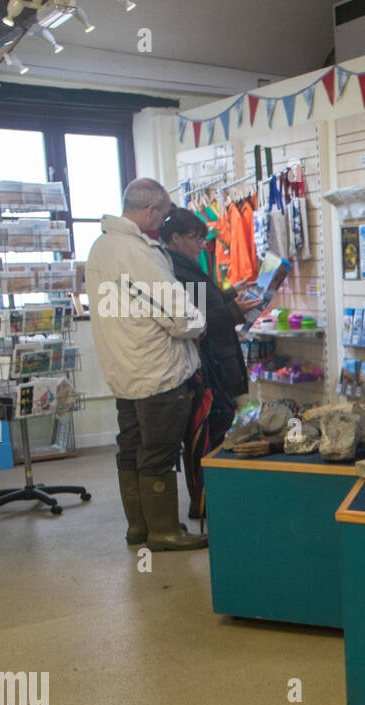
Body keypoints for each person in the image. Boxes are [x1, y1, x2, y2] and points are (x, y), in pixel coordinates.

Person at [85, 178, 208, 551]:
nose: (165, 221)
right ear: (151, 210)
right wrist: (199, 323)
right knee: (158, 451)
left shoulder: (101, 247)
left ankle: (139, 527)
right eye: (164, 213)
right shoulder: (134, 251)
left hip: (124, 367)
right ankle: (164, 531)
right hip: (156, 370)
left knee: (131, 447)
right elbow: (178, 312)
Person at [159, 206, 253, 518]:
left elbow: (203, 305)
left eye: (202, 237)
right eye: (195, 237)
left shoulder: (189, 267)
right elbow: (197, 322)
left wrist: (229, 296)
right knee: (207, 434)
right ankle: (205, 502)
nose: (202, 244)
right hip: (207, 364)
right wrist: (234, 310)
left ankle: (210, 498)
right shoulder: (178, 272)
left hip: (216, 360)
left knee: (216, 428)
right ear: (175, 238)